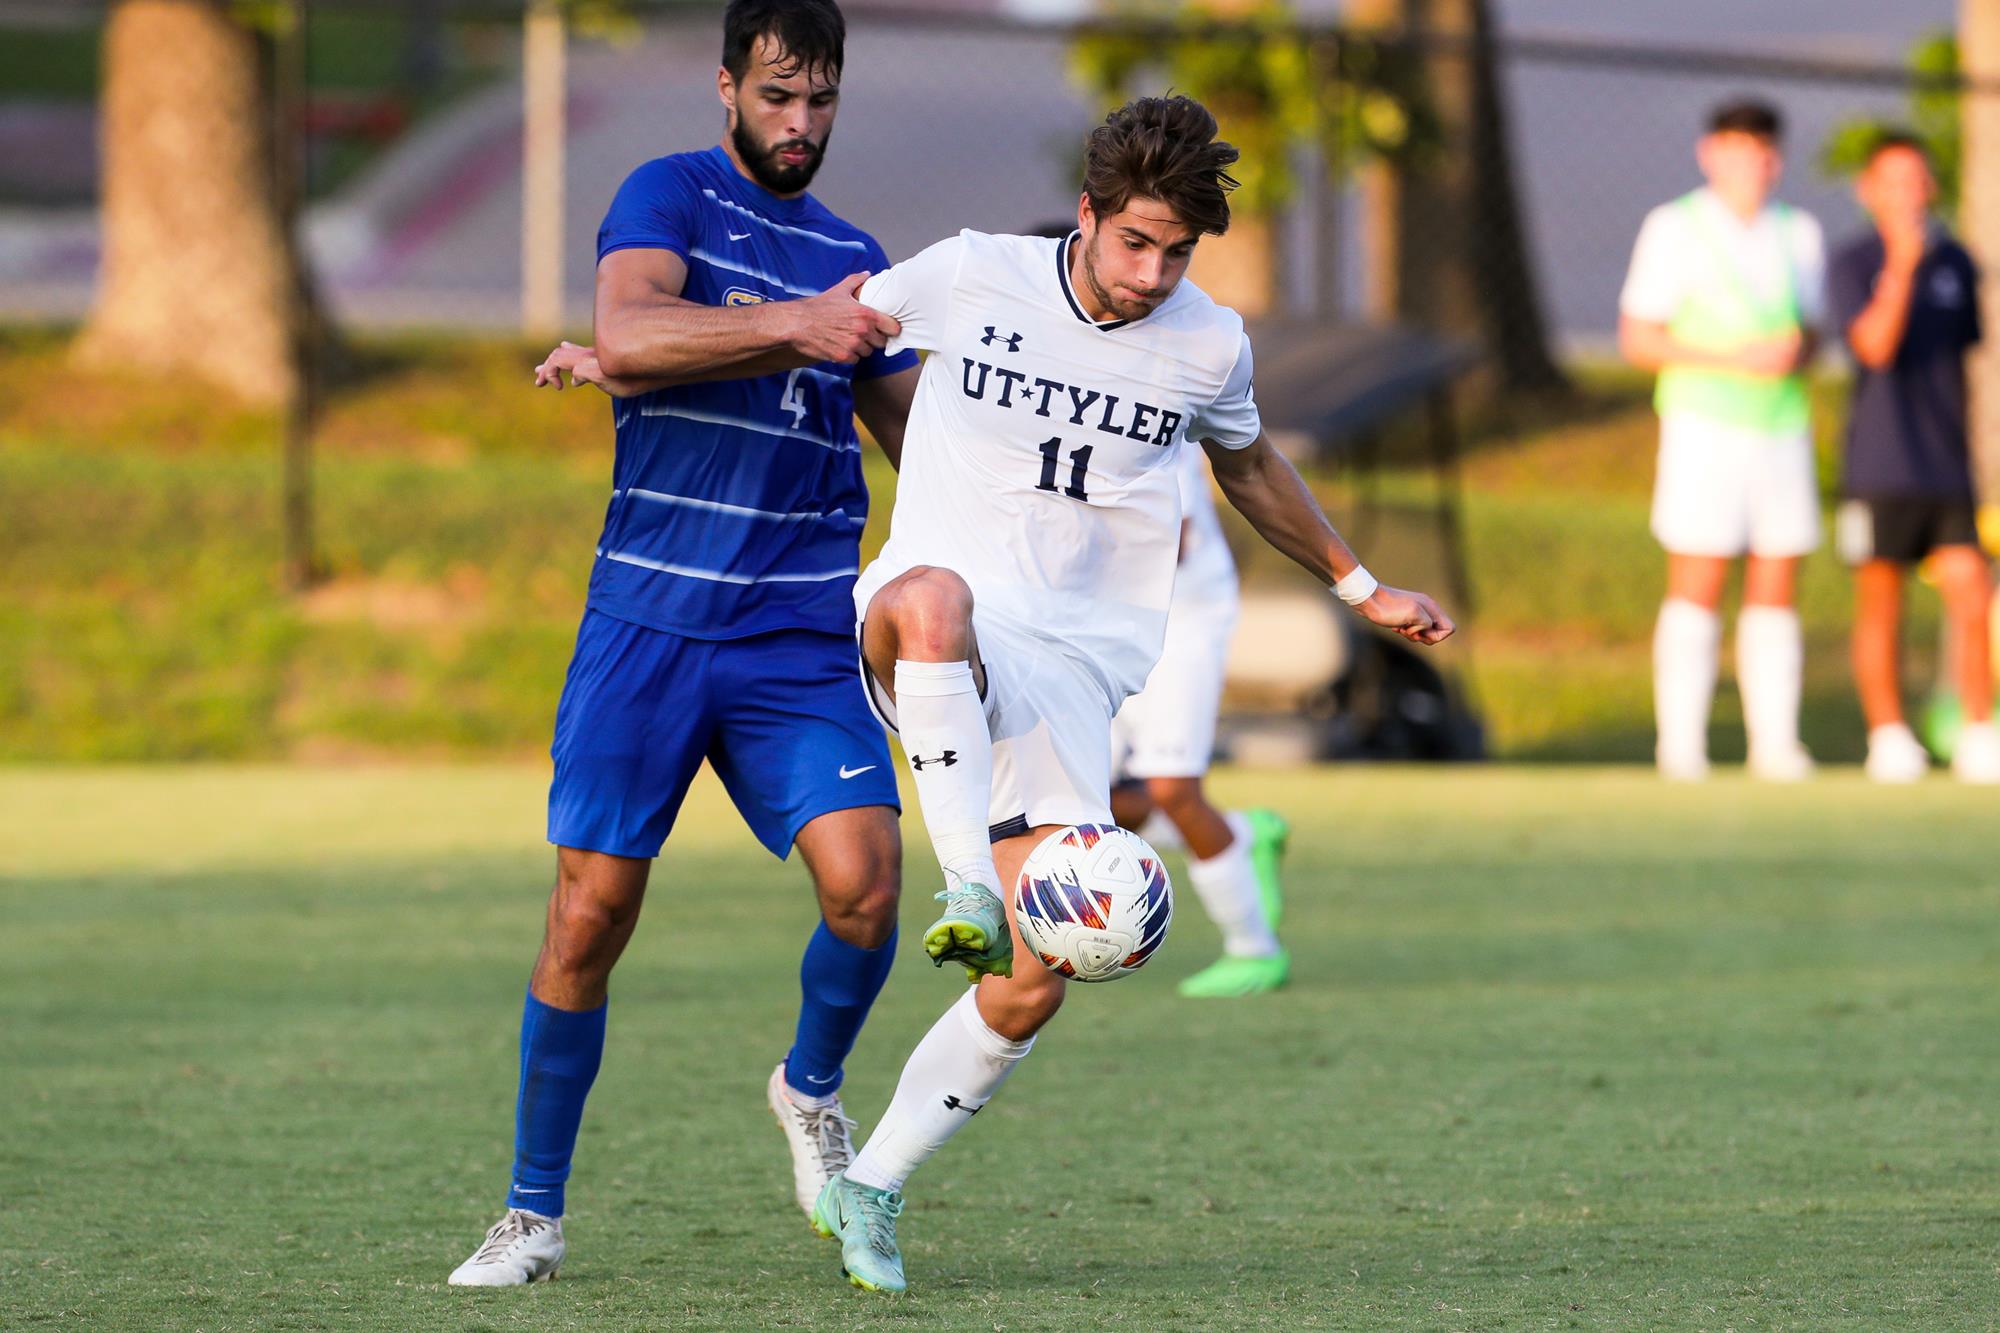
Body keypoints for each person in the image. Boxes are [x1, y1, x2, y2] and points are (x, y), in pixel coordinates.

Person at [809, 94, 1454, 1293]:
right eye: (1135, 242)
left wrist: (1361, 586)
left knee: (1039, 977)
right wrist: (633, 353)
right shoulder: (971, 273)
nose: (1153, 273)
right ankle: (962, 882)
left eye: (1177, 252)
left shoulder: (1206, 340)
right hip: (934, 615)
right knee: (935, 596)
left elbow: (1251, 463)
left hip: (1075, 666)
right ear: (1091, 214)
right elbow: (827, 331)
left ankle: (873, 1185)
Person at [448, 0, 924, 1286]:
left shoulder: (856, 257)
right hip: (647, 622)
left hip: (793, 631)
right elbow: (634, 334)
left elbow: (925, 447)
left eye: (820, 102)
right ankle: (532, 1214)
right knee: (590, 915)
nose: (799, 126)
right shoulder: (668, 194)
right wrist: (791, 326)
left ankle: (808, 1090)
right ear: (726, 86)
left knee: (869, 879)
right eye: (777, 97)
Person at [1619, 98, 1824, 782]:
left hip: (1782, 428)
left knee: (1776, 580)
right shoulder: (1674, 228)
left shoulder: (1799, 233)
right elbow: (1639, 337)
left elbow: (1814, 331)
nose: (1752, 166)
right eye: (1737, 150)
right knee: (1698, 579)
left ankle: (1777, 744)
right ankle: (1681, 746)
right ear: (1710, 154)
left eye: (1763, 152)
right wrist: (1736, 359)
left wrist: (1797, 351)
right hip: (1703, 428)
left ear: (1778, 158)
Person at [1826, 132, 2000, 783]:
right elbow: (1872, 347)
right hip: (1879, 466)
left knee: (1971, 591)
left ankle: (1980, 731)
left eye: (1916, 180)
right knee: (1881, 600)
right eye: (1891, 181)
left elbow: (1967, 363)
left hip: (1946, 467)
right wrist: (1900, 268)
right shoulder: (1855, 261)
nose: (1907, 194)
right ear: (1868, 191)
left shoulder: (1956, 260)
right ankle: (1889, 735)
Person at [1107, 443, 1292, 998]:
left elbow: (1174, 544)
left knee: (1173, 789)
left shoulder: (1152, 416)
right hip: (1105, 618)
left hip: (1179, 616)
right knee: (1099, 800)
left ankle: (1255, 949)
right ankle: (1239, 835)